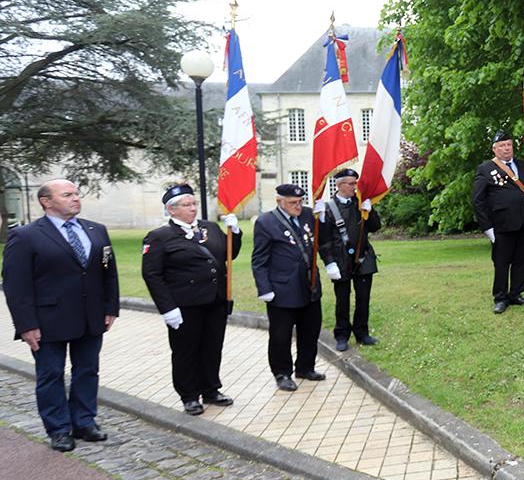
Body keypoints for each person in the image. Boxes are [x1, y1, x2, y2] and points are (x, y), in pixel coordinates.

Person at [2, 179, 118, 451]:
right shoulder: (27, 236)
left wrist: (110, 307)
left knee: (88, 370)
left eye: (76, 193)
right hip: (47, 320)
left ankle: (84, 422)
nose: (76, 198)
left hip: (91, 317)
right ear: (46, 201)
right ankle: (59, 428)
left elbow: (107, 270)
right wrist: (26, 324)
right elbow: (15, 285)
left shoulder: (96, 231)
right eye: (67, 195)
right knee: (51, 374)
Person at [141, 184, 242, 415]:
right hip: (185, 304)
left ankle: (211, 389)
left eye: (194, 203)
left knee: (212, 347)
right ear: (172, 210)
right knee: (186, 351)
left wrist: (234, 233)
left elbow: (230, 253)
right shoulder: (159, 237)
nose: (193, 208)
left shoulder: (210, 228)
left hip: (215, 299)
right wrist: (167, 309)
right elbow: (152, 274)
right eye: (186, 205)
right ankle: (189, 395)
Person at [251, 184, 324, 391]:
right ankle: (282, 373)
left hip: (309, 284)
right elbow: (259, 259)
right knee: (281, 335)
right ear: (279, 201)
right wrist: (264, 288)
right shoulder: (266, 222)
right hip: (282, 288)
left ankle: (305, 367)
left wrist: (324, 219)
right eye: (292, 203)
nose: (298, 206)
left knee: (310, 329)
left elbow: (321, 238)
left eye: (300, 202)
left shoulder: (309, 215)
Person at [472, 130, 524, 314]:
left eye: (509, 144)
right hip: (501, 225)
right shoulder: (486, 168)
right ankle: (501, 297)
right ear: (494, 148)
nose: (506, 148)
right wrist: (487, 227)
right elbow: (478, 200)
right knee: (502, 262)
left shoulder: (523, 165)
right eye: (502, 145)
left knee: (522, 260)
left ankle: (516, 294)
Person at [316, 168, 381, 351]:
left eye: (356, 183)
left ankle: (362, 333)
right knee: (342, 299)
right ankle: (342, 335)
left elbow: (376, 227)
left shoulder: (360, 204)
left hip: (363, 258)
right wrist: (329, 263)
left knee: (363, 298)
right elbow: (324, 241)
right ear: (339, 185)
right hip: (340, 261)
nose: (355, 187)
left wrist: (371, 211)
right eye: (351, 184)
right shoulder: (328, 209)